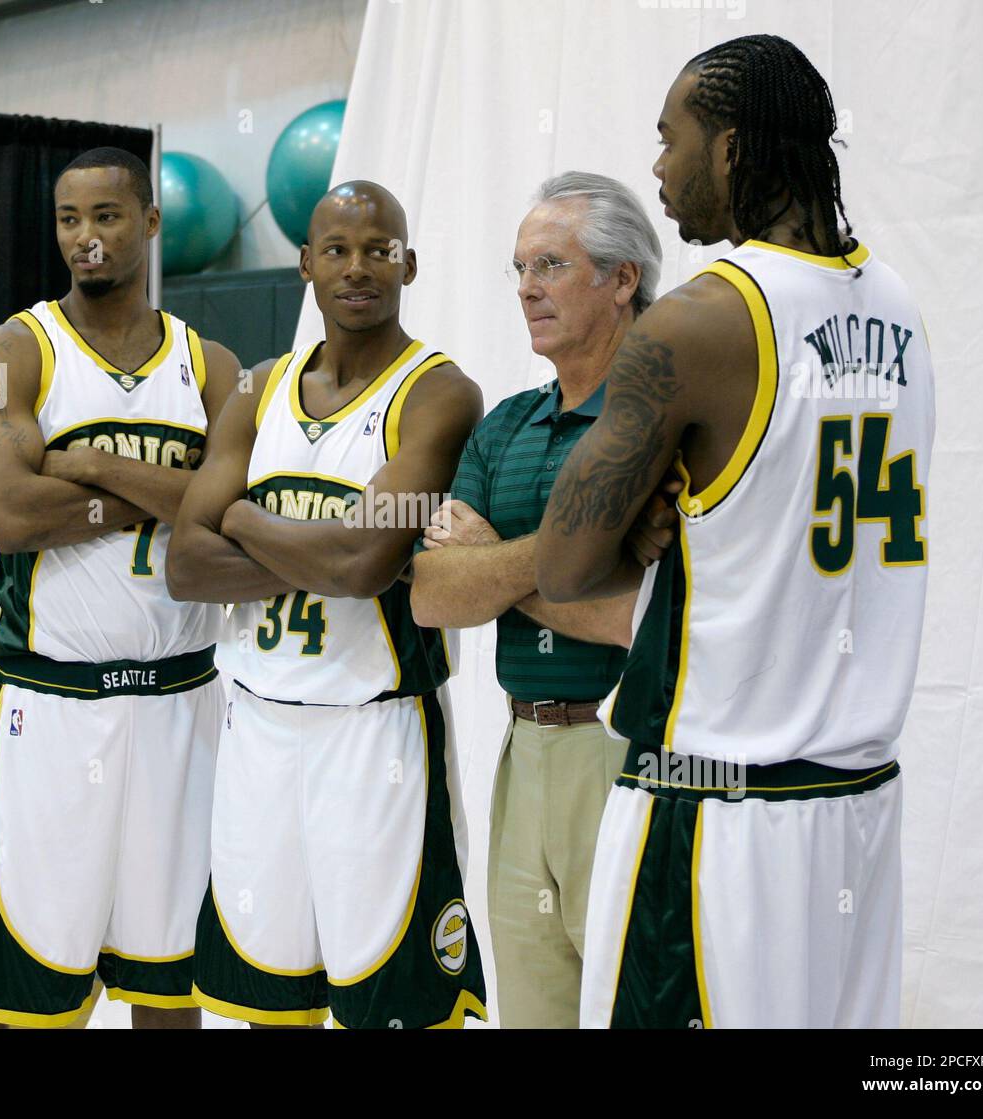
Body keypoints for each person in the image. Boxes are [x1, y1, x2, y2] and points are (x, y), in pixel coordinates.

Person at [537, 35, 935, 1029]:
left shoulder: (699, 322)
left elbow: (565, 561)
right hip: (856, 808)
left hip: (714, 808)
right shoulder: (900, 309)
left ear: (728, 150)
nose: (658, 169)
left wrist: (636, 523)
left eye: (668, 140)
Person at [168, 181, 488, 1029]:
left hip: (374, 733)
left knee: (393, 1007)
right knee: (265, 1005)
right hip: (257, 730)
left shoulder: (438, 393)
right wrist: (311, 545)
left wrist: (238, 515)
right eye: (338, 250)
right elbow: (186, 565)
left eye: (379, 249)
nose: (359, 267)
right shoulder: (258, 388)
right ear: (305, 263)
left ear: (409, 264)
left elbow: (365, 561)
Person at [0, 147, 239, 1029]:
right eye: (70, 219)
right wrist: (158, 500)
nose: (86, 238)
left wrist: (98, 465)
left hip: (183, 709)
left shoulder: (211, 365)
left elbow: (226, 517)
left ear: (150, 222)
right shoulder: (12, 350)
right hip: (49, 709)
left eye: (107, 216)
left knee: (169, 988)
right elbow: (8, 511)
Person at [410, 172, 665, 1028]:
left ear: (622, 277)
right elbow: (435, 594)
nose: (525, 286)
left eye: (550, 264)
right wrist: (568, 562)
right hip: (523, 747)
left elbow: (647, 617)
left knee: (640, 1008)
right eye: (520, 267)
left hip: (629, 752)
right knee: (533, 1016)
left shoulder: (667, 419)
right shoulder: (505, 423)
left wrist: (498, 564)